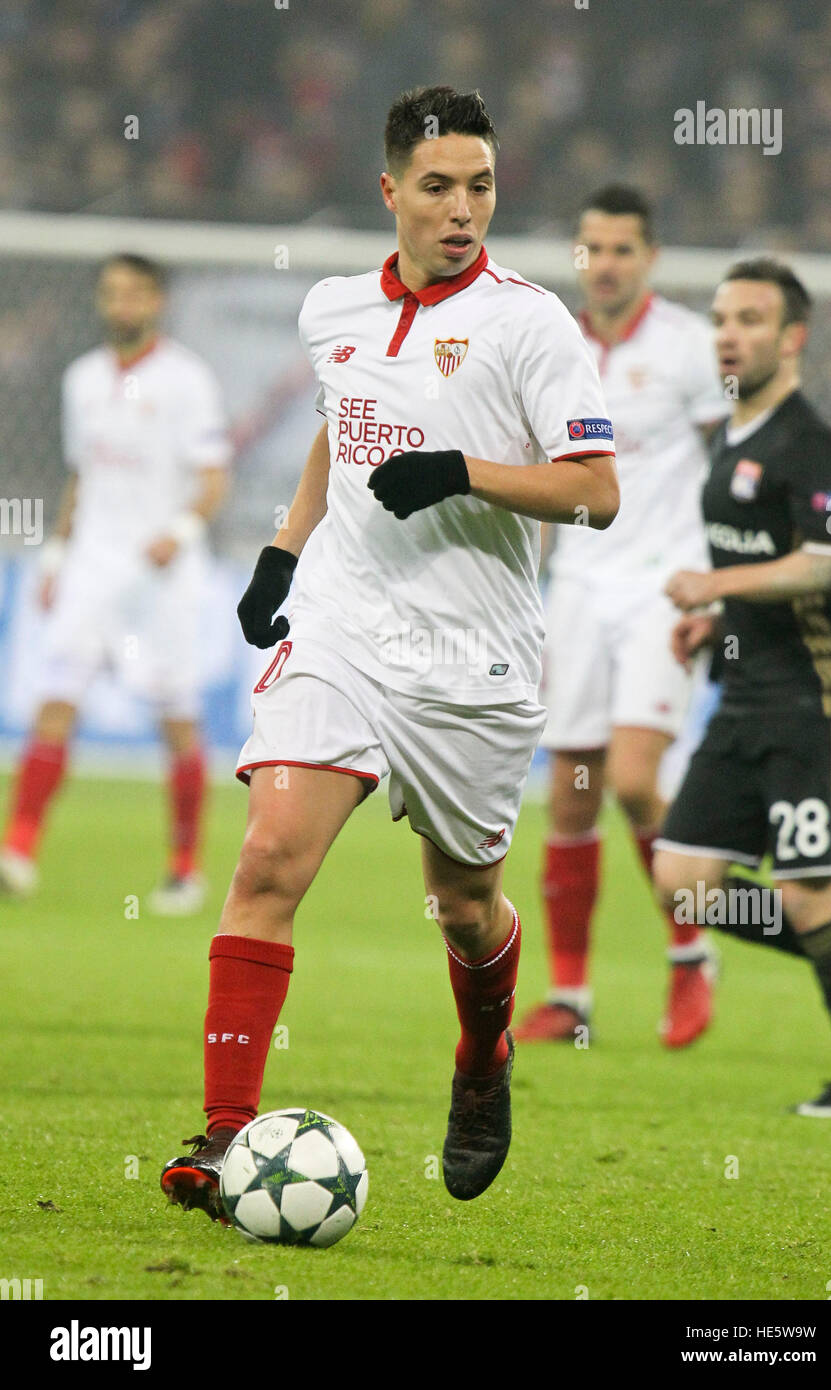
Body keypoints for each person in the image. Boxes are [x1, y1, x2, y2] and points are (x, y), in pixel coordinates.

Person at [160, 85, 619, 1218]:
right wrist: (284, 549)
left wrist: (462, 471)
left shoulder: (530, 325)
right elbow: (343, 418)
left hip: (474, 661)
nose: (462, 209)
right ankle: (224, 1138)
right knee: (270, 857)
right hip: (345, 625)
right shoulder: (333, 309)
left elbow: (596, 492)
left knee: (464, 907)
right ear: (390, 192)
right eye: (437, 187)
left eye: (481, 187)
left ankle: (482, 1055)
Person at [514, 187, 728, 1048]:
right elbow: (542, 477)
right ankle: (571, 999)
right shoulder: (553, 345)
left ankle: (691, 953)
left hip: (663, 590)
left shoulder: (689, 347)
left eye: (621, 249)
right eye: (592, 248)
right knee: (571, 793)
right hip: (577, 586)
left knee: (635, 780)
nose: (604, 265)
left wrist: (720, 585)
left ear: (650, 258)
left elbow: (728, 468)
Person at [655, 258, 831, 1117]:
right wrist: (718, 622)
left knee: (810, 893)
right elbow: (762, 563)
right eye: (720, 320)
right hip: (742, 696)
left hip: (814, 700)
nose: (728, 336)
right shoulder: (732, 438)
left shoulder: (810, 443)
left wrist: (716, 587)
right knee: (682, 879)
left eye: (749, 320)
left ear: (792, 337)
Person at [0, 254, 231, 915]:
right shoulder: (82, 379)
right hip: (91, 567)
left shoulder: (187, 380)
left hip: (162, 577)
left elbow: (214, 477)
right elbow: (81, 475)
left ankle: (184, 869)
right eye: (111, 292)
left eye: (134, 292)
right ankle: (17, 852)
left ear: (157, 301)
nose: (121, 304)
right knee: (55, 700)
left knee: (176, 717)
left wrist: (178, 533)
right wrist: (55, 556)